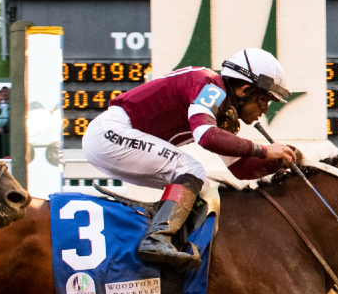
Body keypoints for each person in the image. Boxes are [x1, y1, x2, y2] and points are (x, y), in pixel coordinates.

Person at [82, 48, 298, 269]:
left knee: (202, 188)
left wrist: (275, 163)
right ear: (245, 89)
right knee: (192, 170)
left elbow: (239, 167)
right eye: (264, 99)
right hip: (110, 133)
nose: (264, 109)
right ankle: (156, 240)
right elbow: (205, 136)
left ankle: (169, 244)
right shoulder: (209, 85)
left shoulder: (223, 111)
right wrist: (264, 150)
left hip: (113, 140)